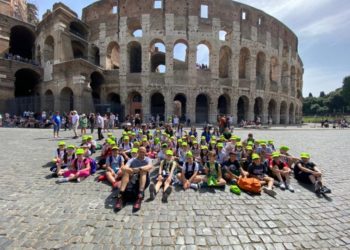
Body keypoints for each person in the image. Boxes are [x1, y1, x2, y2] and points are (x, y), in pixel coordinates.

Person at [115, 147, 153, 211]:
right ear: (138, 152)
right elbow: (124, 168)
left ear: (145, 153)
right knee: (126, 172)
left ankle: (140, 194)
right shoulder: (132, 159)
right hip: (133, 178)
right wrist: (130, 170)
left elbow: (150, 166)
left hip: (144, 179)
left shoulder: (148, 159)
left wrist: (139, 169)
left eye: (143, 152)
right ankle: (120, 194)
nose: (142, 153)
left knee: (143, 171)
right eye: (140, 151)